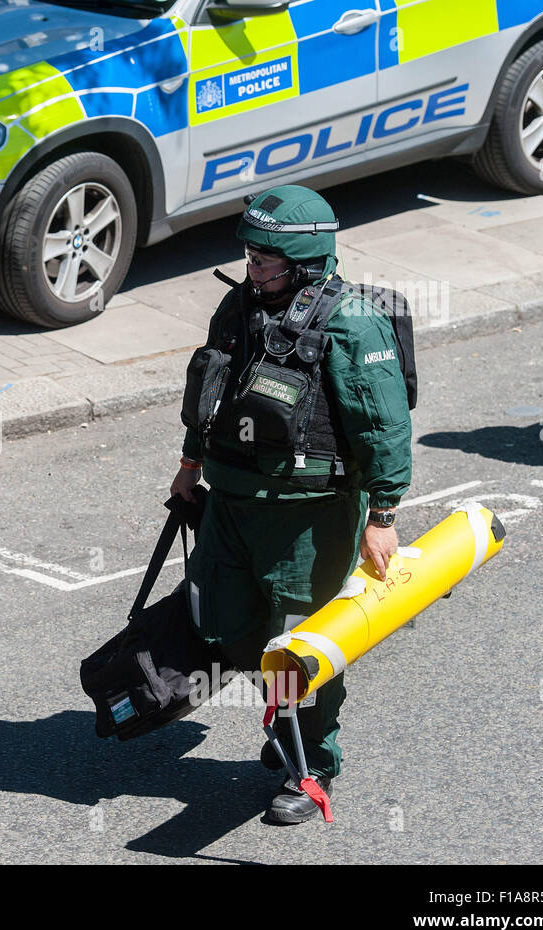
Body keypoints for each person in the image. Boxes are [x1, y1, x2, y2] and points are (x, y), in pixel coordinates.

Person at [172, 184, 412, 825]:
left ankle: (311, 766)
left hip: (308, 515)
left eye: (263, 261)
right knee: (227, 622)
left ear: (302, 262)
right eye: (249, 256)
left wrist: (383, 517)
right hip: (231, 500)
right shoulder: (240, 304)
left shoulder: (352, 323)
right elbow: (209, 385)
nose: (251, 270)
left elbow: (383, 427)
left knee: (301, 645)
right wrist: (190, 465)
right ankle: (283, 716)